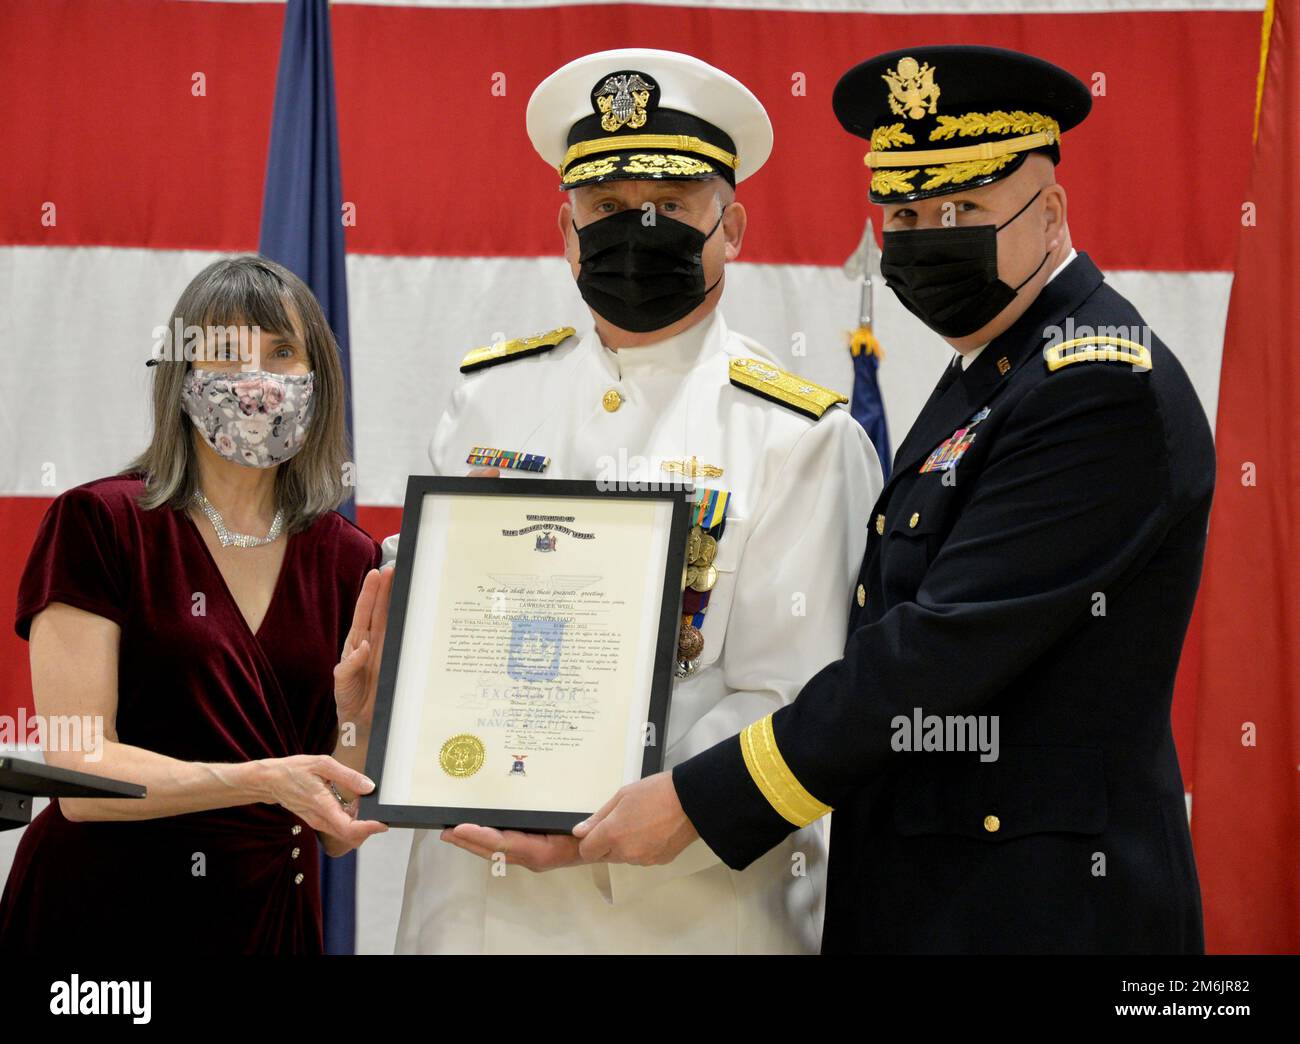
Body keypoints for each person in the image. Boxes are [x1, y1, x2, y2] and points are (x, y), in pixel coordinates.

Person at [576, 45, 1215, 955]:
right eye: (906, 212)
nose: (927, 237)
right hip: (944, 887)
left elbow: (932, 658)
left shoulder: (1095, 384)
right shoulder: (998, 374)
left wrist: (697, 800)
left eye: (965, 208)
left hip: (1043, 907)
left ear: (1053, 211)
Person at [390, 48, 883, 954]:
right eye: (608, 208)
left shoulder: (801, 437)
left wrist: (606, 817)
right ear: (567, 231)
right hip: (473, 908)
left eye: (669, 205)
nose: (636, 227)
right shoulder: (485, 398)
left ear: (730, 227)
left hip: (683, 916)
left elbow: (796, 701)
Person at [0, 256, 392, 955]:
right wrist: (264, 780)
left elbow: (335, 829)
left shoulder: (348, 559)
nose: (256, 379)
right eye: (226, 354)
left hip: (266, 918)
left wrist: (356, 717)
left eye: (280, 352)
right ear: (183, 379)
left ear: (318, 381)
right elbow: (80, 777)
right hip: (102, 917)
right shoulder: (100, 523)